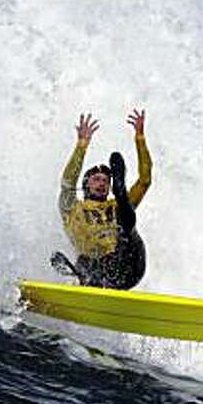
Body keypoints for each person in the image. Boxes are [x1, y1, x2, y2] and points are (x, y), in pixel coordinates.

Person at [53, 109, 151, 289]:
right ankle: (81, 278)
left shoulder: (114, 205)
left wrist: (140, 138)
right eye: (96, 179)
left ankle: (121, 192)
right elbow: (67, 183)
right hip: (99, 273)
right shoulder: (72, 208)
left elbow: (145, 180)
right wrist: (81, 145)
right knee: (82, 261)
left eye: (106, 181)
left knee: (126, 223)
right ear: (85, 184)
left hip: (130, 264)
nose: (102, 183)